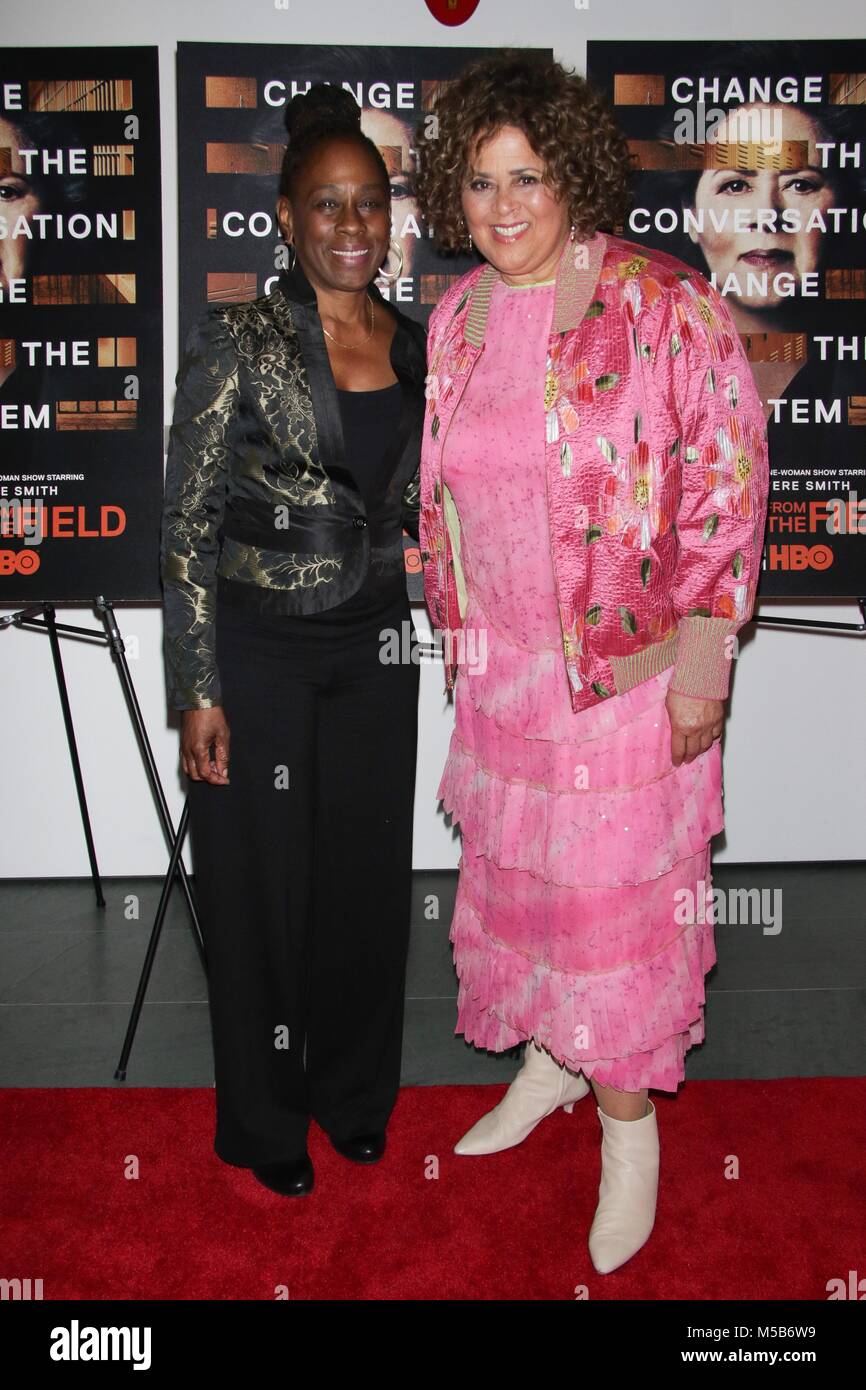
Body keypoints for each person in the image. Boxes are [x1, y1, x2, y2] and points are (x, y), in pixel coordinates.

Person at [415, 52, 769, 1272]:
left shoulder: (658, 302)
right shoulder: (457, 316)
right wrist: (458, 638)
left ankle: (629, 1132)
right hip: (506, 675)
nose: (501, 206)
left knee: (611, 921)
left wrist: (703, 673)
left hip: (623, 686)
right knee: (529, 901)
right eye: (476, 183)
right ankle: (549, 1064)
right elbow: (444, 504)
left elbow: (728, 492)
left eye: (525, 177)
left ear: (569, 175)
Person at [160, 84, 426, 1197]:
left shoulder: (418, 345)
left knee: (366, 885)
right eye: (327, 204)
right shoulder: (239, 336)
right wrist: (198, 686)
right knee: (261, 890)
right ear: (284, 214)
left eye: (368, 204)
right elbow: (186, 517)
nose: (352, 226)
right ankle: (265, 1121)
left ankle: (353, 1097)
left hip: (376, 652)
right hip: (261, 652)